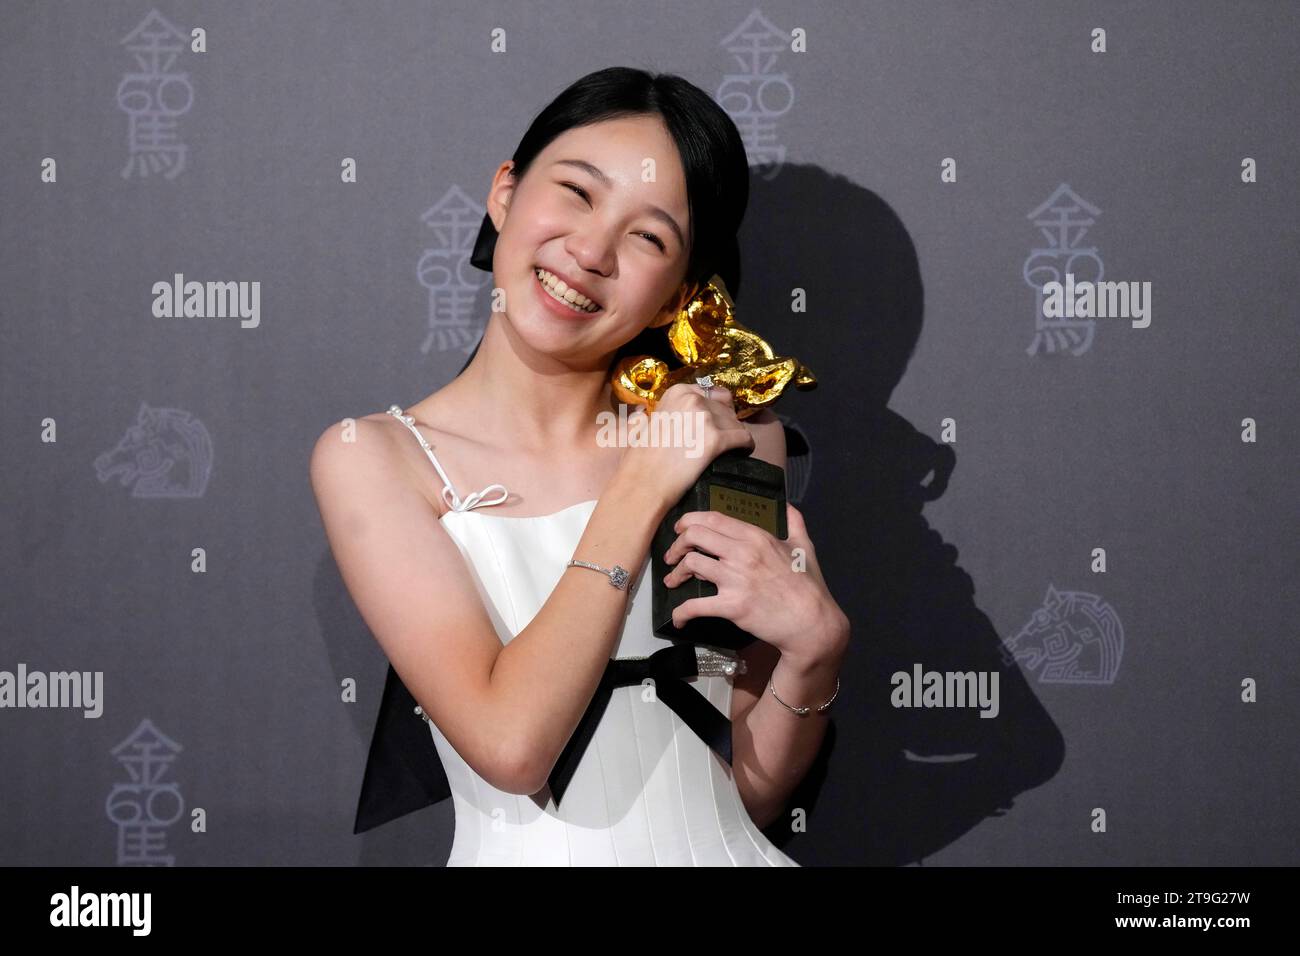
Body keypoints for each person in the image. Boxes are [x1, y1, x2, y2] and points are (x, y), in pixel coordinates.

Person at [310, 66, 849, 866]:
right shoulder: (375, 459)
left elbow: (746, 793)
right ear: (505, 192)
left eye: (649, 237)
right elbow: (511, 746)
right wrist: (640, 485)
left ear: (680, 293)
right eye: (577, 192)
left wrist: (815, 657)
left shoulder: (732, 441)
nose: (591, 251)